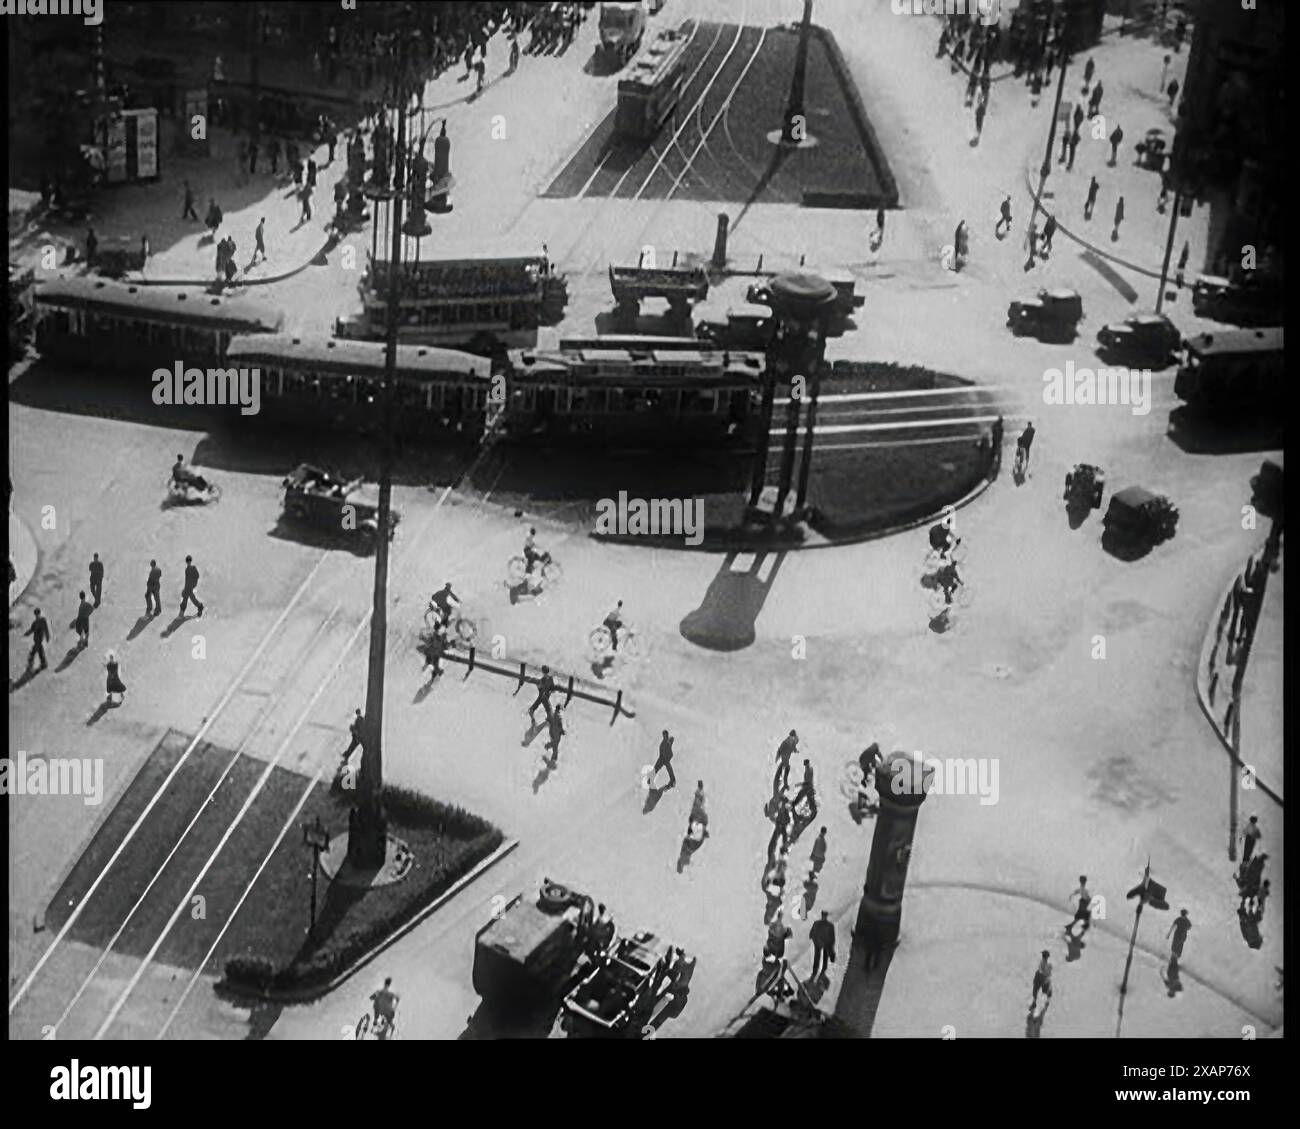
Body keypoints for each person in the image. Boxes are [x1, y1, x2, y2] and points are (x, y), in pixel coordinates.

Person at [810, 910, 836, 980]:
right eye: (823, 916)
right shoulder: (829, 925)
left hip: (824, 944)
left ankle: (820, 971)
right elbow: (811, 933)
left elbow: (811, 934)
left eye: (824, 916)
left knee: (823, 957)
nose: (824, 917)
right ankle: (818, 971)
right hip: (820, 943)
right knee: (819, 958)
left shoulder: (829, 925)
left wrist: (831, 945)